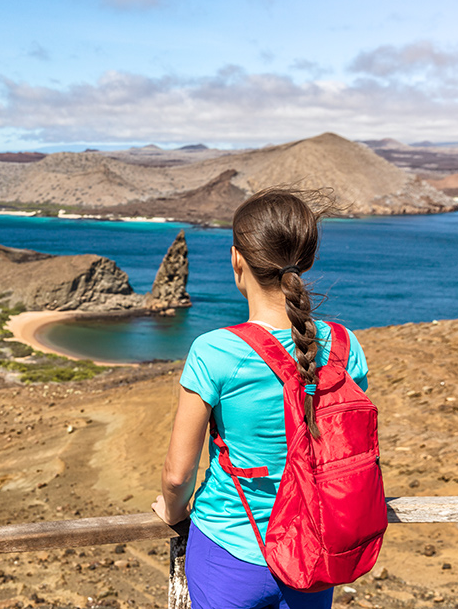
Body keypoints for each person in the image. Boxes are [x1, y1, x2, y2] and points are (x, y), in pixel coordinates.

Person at [151, 188, 370, 609]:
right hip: (315, 552)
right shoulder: (345, 345)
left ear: (237, 259)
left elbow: (178, 475)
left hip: (229, 553)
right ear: (307, 259)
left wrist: (173, 512)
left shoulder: (215, 351)